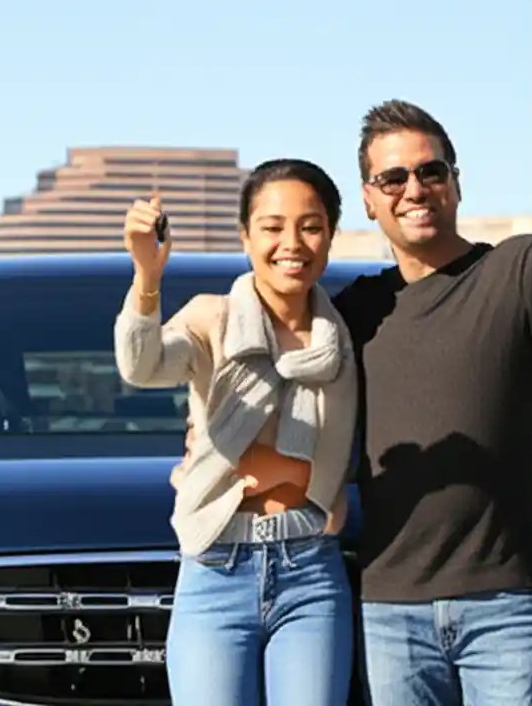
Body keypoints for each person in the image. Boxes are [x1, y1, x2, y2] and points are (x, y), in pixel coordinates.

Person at [232, 64, 532, 704]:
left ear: (455, 183)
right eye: (393, 177)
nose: (413, 188)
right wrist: (211, 430)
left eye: (430, 171)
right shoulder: (352, 313)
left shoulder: (516, 275)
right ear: (368, 198)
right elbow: (269, 359)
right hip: (391, 612)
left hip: (504, 604)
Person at [114, 158, 359, 706]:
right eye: (272, 227)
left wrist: (283, 469)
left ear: (330, 235)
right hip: (215, 570)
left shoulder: (345, 338)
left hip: (311, 572)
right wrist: (147, 277)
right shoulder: (212, 319)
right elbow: (142, 365)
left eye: (310, 225)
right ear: (246, 236)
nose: (291, 242)